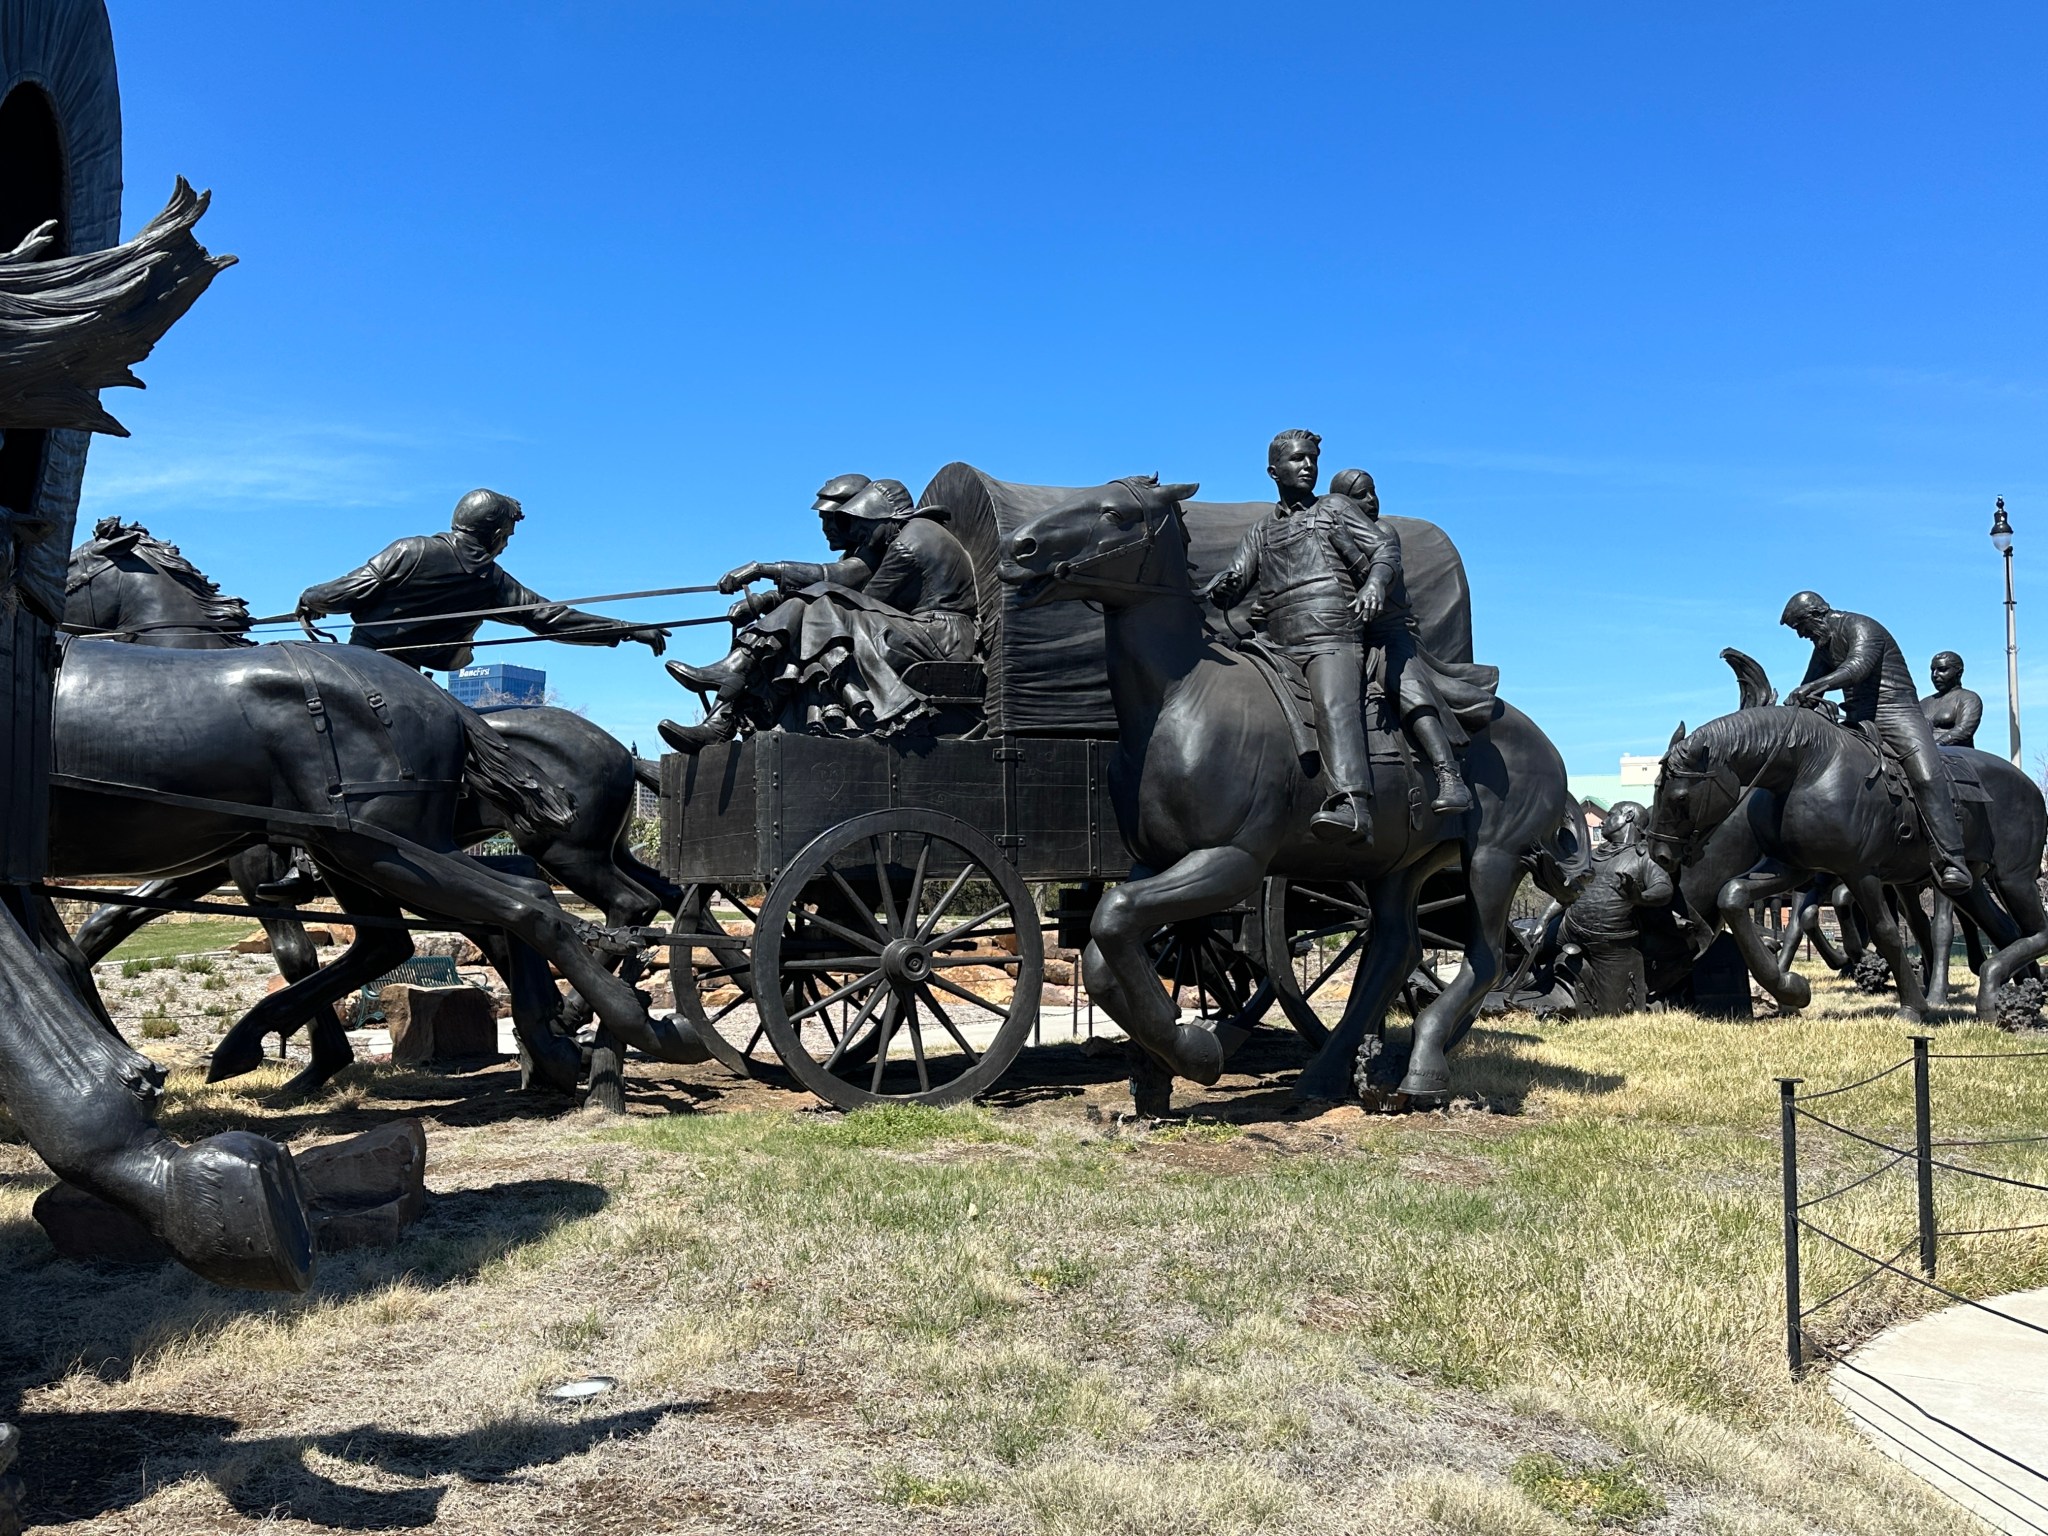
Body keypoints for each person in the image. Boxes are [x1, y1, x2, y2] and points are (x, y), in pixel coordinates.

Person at [1203, 431, 1494, 842]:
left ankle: (1353, 804)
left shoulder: (1335, 508)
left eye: (1312, 458)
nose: (1308, 466)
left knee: (1334, 701)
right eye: (1297, 459)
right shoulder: (1260, 531)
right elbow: (1237, 579)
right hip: (1274, 644)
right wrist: (1225, 587)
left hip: (1331, 638)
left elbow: (1384, 551)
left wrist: (1374, 583)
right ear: (1273, 472)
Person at [658, 475, 979, 751]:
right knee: (814, 618)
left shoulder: (908, 543)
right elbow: (840, 581)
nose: (860, 533)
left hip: (940, 637)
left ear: (884, 518)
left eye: (862, 524)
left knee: (823, 615)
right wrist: (767, 600)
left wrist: (767, 580)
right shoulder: (898, 537)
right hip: (916, 631)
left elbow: (857, 600)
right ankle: (723, 713)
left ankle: (733, 682)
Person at [295, 489, 669, 671]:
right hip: (410, 678)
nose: (505, 545)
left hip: (361, 665)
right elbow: (550, 618)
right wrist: (626, 629)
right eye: (507, 536)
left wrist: (310, 597)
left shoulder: (411, 549)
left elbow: (347, 592)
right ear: (493, 533)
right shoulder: (490, 580)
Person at [1780, 592, 1972, 895]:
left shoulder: (1861, 627)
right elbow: (1810, 684)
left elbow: (1857, 667)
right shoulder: (1823, 645)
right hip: (1858, 717)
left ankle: (1952, 857)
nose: (1802, 635)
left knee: (1925, 774)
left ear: (1817, 614)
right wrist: (1796, 703)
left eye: (1801, 627)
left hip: (1896, 713)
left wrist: (1816, 687)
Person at [1921, 650, 1983, 748]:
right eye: (1932, 670)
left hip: (1953, 752)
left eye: (1942, 669)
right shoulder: (1923, 703)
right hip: (1922, 751)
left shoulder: (1969, 698)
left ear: (1959, 673)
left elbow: (1964, 730)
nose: (1935, 675)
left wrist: (1937, 745)